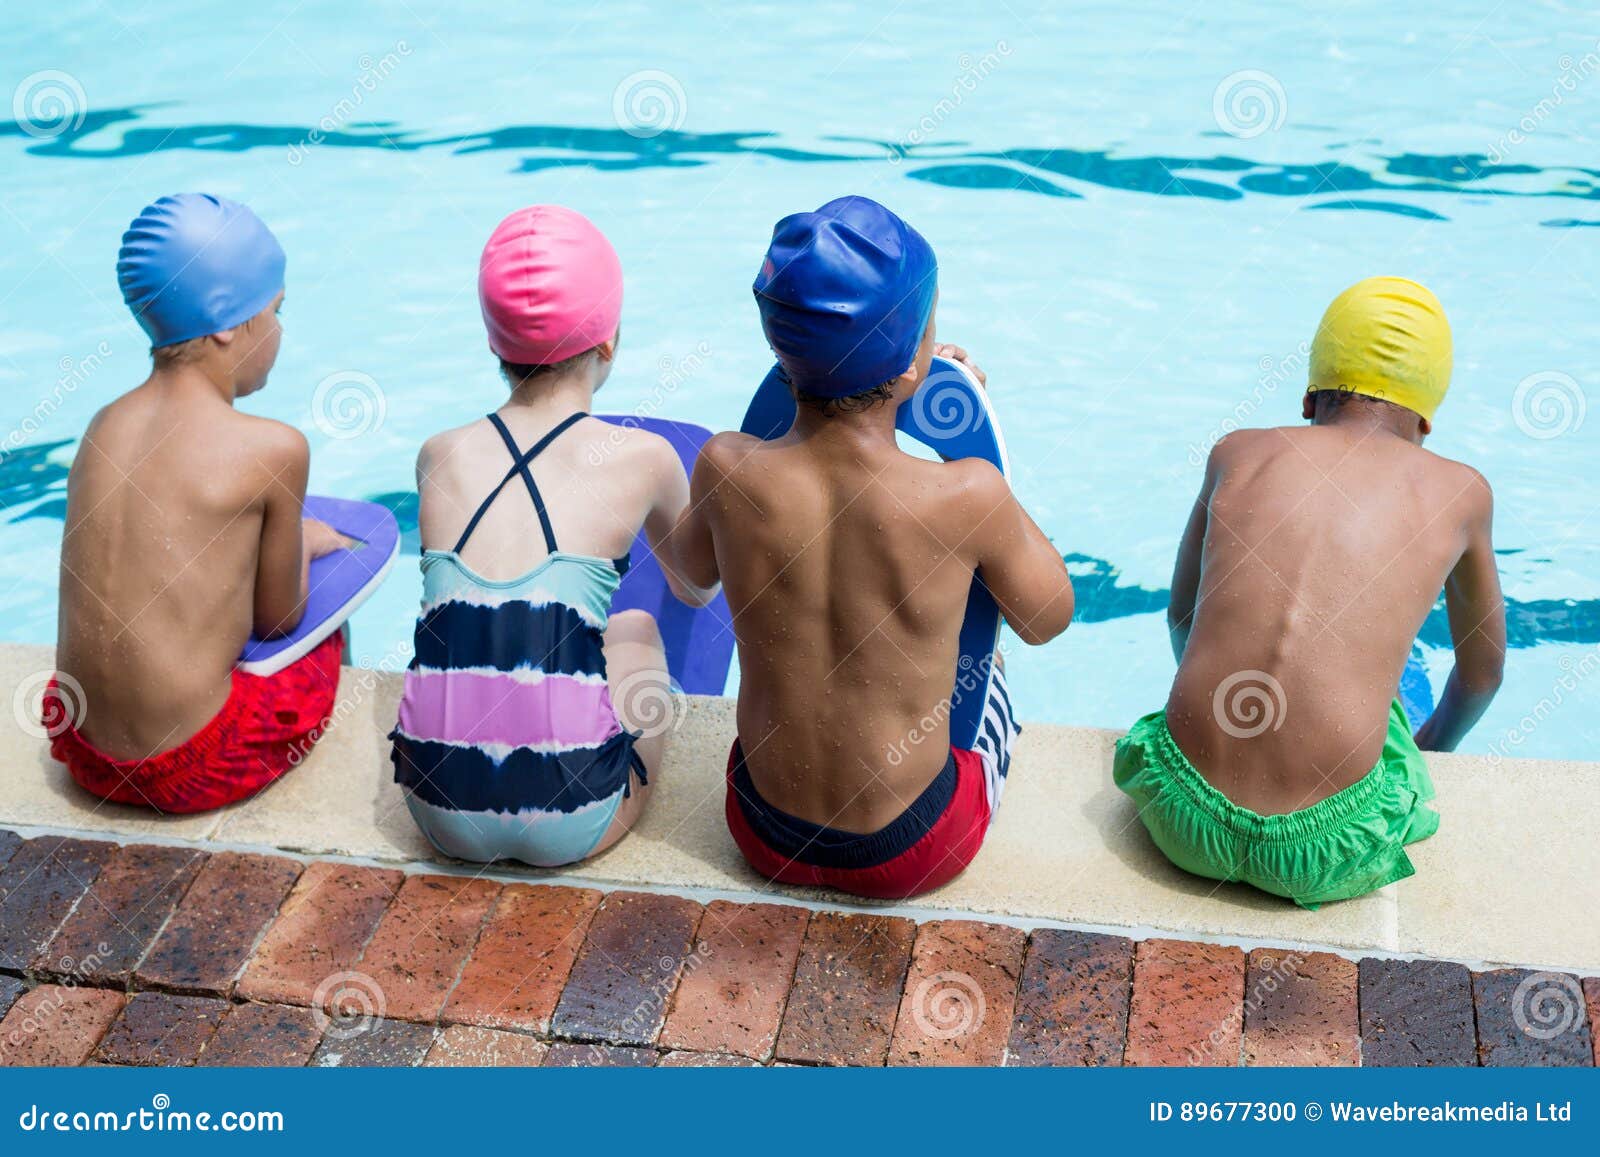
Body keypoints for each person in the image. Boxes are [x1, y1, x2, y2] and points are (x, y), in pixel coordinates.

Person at [671, 196, 1075, 899]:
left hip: (761, 832)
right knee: (997, 661)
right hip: (912, 847)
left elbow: (688, 578)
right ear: (919, 359)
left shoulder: (724, 467)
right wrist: (964, 419)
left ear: (778, 345)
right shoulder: (968, 494)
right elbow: (1047, 617)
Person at [1115, 276, 1506, 908]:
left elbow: (1182, 618)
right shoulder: (1463, 492)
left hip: (1177, 814)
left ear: (1308, 398)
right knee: (1394, 705)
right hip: (1329, 849)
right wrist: (1431, 751)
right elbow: (1483, 675)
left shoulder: (1237, 452)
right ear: (1427, 420)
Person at [390, 205, 717, 867]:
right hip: (573, 820)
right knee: (637, 630)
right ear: (609, 344)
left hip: (435, 811)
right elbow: (696, 587)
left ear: (493, 344)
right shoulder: (646, 457)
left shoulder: (438, 454)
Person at [46, 193, 350, 813]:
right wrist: (312, 540)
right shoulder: (275, 448)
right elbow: (278, 620)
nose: (281, 332)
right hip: (191, 767)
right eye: (276, 310)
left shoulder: (103, 426)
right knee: (331, 623)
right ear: (226, 323)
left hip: (79, 748)